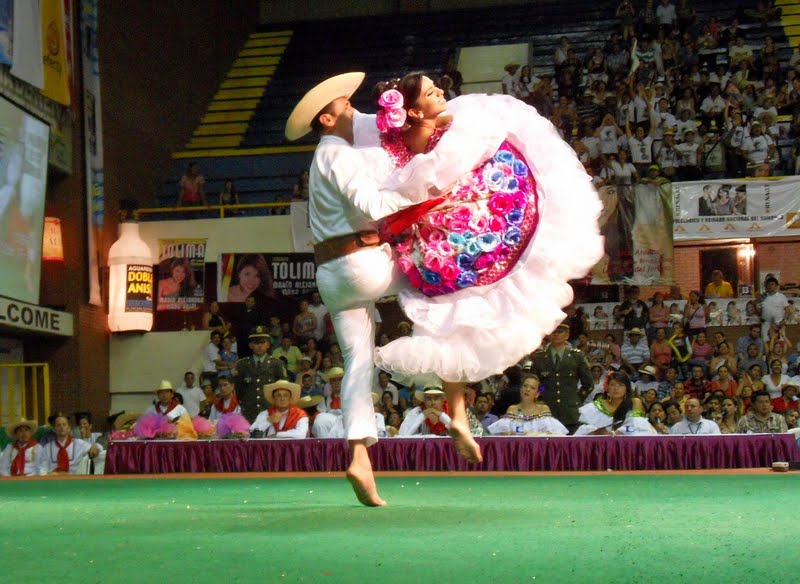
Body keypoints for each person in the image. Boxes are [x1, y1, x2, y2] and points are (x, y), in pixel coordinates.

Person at [368, 73, 602, 440]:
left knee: (461, 318)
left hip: (468, 215)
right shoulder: (407, 148)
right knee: (452, 321)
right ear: (413, 111)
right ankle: (458, 414)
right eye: (430, 91)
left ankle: (459, 413)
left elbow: (469, 144)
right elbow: (416, 181)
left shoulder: (452, 123)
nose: (440, 91)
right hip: (445, 233)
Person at [285, 72, 428, 505]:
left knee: (357, 363)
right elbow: (372, 205)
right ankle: (447, 375)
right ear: (327, 119)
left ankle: (359, 457)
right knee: (438, 272)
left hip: (332, 274)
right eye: (344, 106)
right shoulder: (336, 154)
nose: (353, 109)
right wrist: (426, 194)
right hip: (360, 264)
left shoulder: (325, 156)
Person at [528, 323, 594, 433]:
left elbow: (588, 384)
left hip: (570, 412)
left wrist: (575, 398)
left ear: (567, 335)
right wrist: (542, 396)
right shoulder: (539, 358)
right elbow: (536, 384)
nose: (556, 334)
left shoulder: (576, 356)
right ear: (549, 335)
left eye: (560, 332)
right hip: (547, 410)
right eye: (554, 332)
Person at [574, 371, 655, 435]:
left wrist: (615, 433)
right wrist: (595, 432)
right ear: (607, 388)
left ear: (626, 389)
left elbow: (637, 428)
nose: (616, 388)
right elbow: (584, 430)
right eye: (612, 385)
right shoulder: (596, 406)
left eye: (620, 385)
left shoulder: (634, 402)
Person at [233, 326, 286, 422]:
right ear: (250, 345)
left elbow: (283, 387)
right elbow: (238, 390)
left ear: (268, 344)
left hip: (270, 412)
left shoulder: (276, 364)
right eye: (256, 343)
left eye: (263, 342)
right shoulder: (242, 365)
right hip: (249, 412)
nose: (259, 346)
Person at [487, 374, 569, 435]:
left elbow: (552, 433)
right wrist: (512, 433)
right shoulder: (512, 409)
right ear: (520, 389)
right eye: (525, 386)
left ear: (537, 394)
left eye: (532, 388)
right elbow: (503, 433)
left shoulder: (543, 408)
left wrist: (532, 435)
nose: (528, 389)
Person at [759, 276, 789, 342]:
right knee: (765, 342)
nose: (770, 286)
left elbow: (787, 310)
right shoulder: (762, 297)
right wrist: (758, 302)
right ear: (766, 286)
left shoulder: (781, 297)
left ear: (776, 286)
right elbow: (758, 310)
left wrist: (784, 320)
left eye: (772, 284)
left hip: (778, 323)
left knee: (780, 342)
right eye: (768, 284)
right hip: (766, 323)